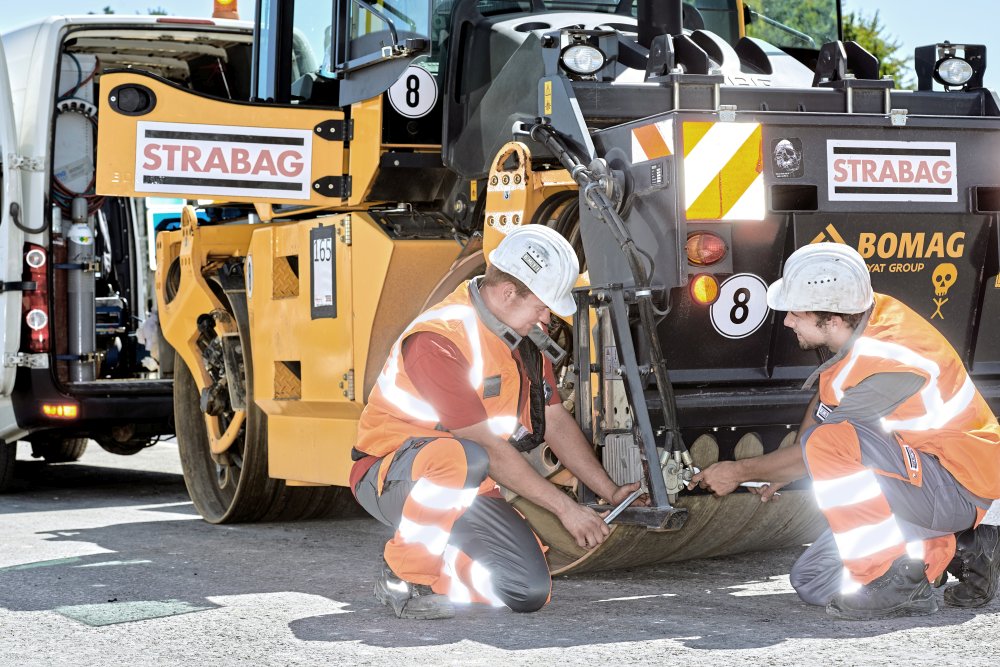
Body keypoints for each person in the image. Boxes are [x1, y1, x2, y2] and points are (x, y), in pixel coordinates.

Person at [690, 243, 1000, 620]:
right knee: (815, 582)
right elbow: (824, 407)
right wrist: (780, 473)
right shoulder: (863, 318)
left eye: (797, 313)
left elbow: (828, 443)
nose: (787, 321)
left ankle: (896, 579)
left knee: (829, 445)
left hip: (958, 486)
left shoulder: (891, 362)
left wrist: (740, 472)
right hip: (923, 479)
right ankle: (964, 545)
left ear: (832, 320)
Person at [350, 224, 643, 620]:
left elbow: (554, 420)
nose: (546, 317)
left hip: (468, 482)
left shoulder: (523, 339)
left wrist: (610, 492)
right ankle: (404, 575)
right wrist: (565, 509)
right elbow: (485, 446)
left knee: (527, 591)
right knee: (461, 457)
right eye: (541, 305)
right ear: (507, 293)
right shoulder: (439, 339)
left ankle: (440, 565)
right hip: (392, 476)